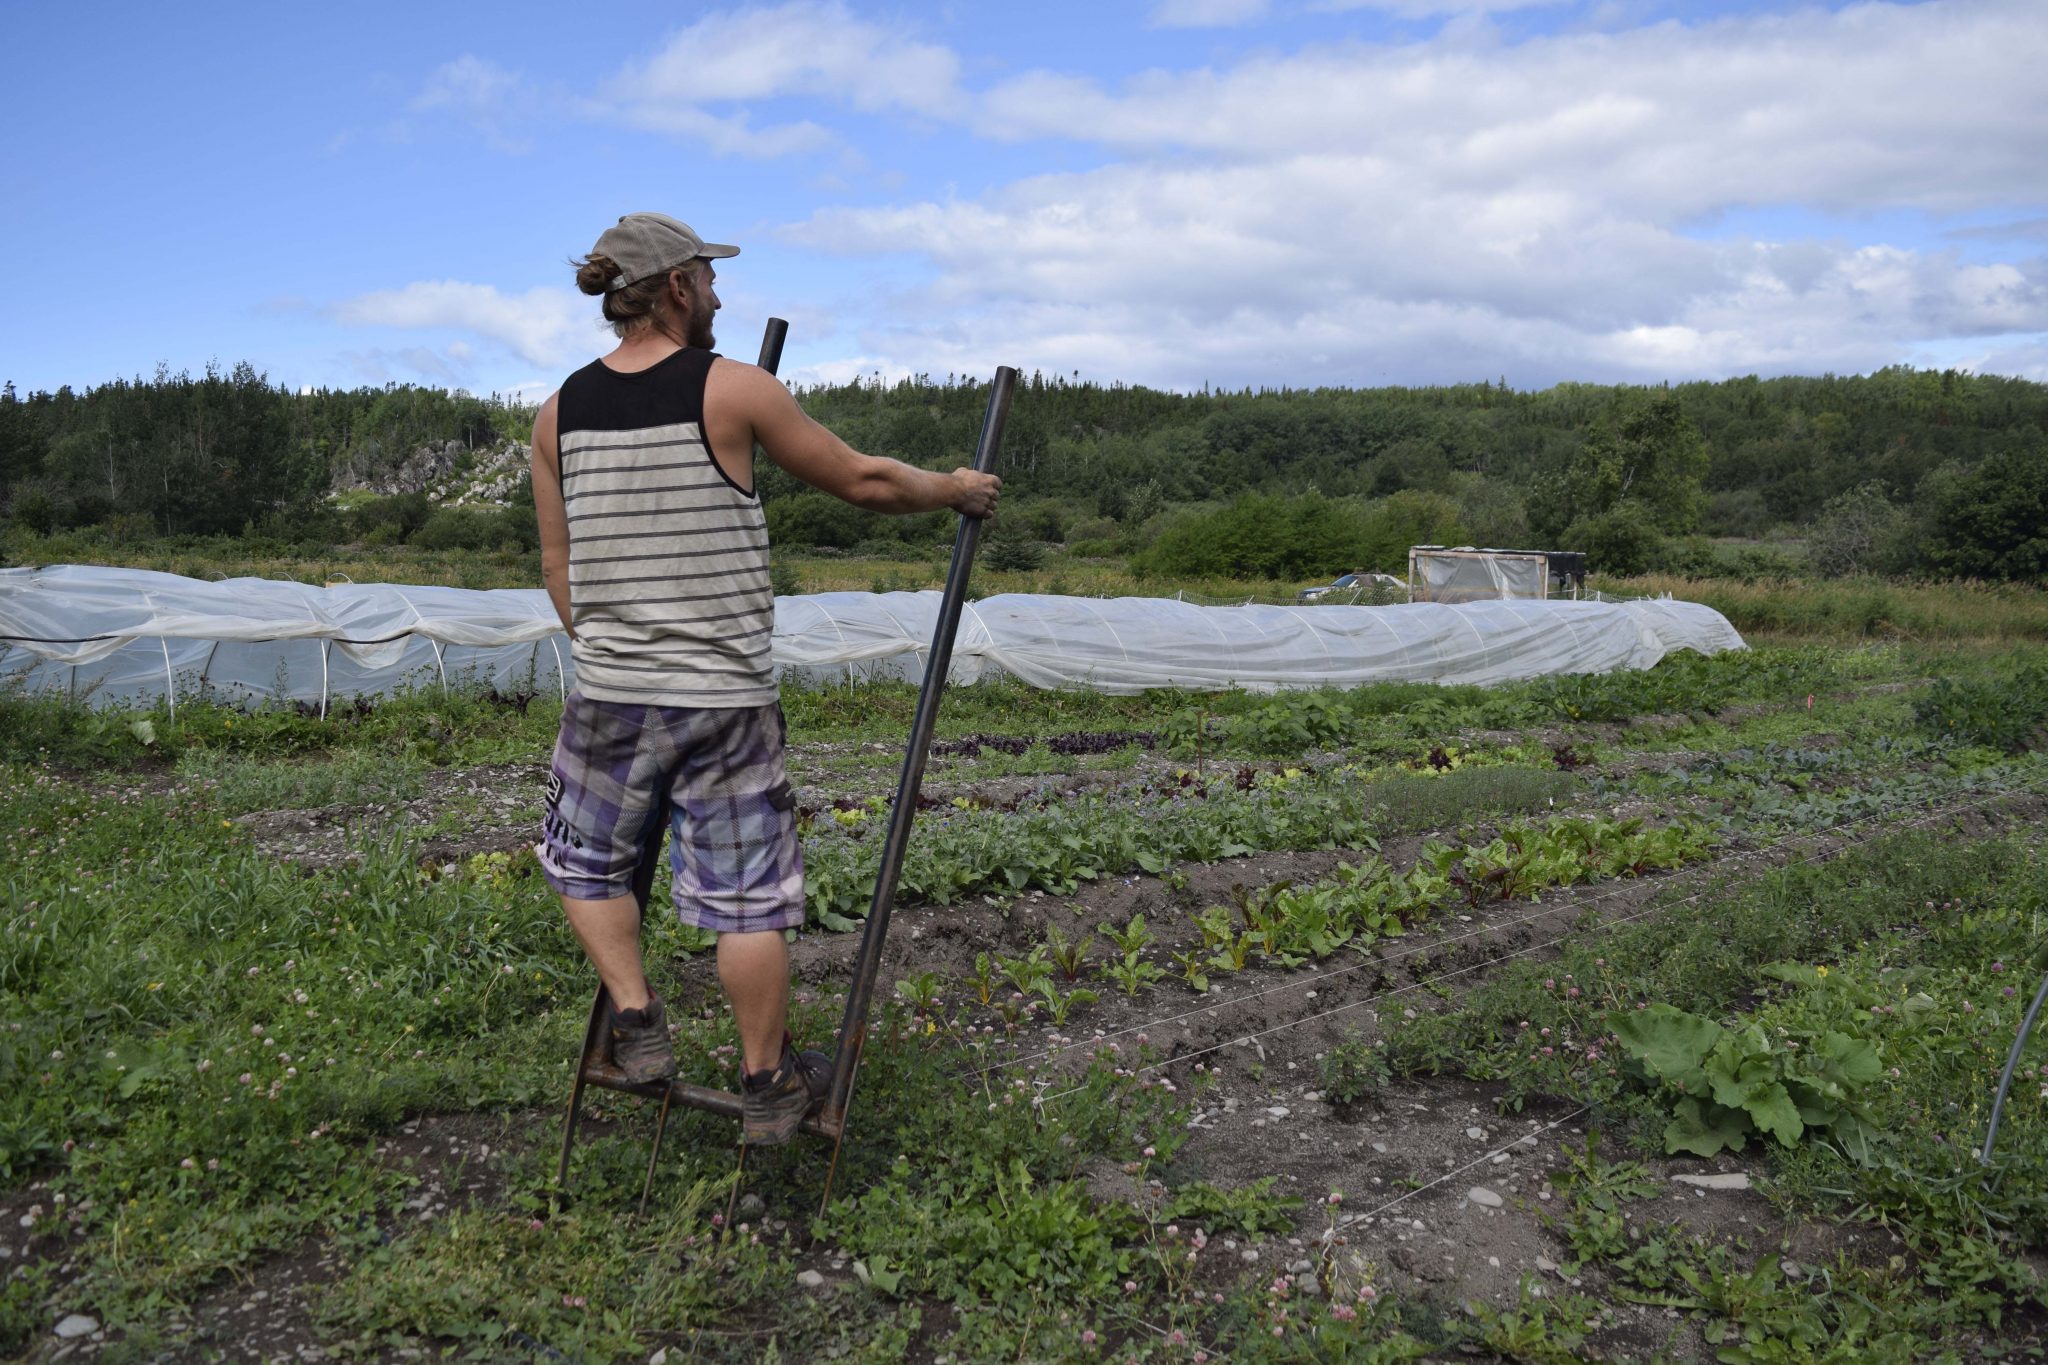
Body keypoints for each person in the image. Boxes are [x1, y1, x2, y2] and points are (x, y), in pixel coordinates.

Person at [530, 212, 1000, 1144]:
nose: (719, 292)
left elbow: (559, 567)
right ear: (674, 287)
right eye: (707, 275)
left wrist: (622, 645)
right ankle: (767, 1082)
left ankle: (635, 1017)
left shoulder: (558, 411)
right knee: (745, 895)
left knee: (579, 859)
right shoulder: (733, 391)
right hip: (724, 698)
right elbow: (862, 481)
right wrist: (954, 488)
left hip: (609, 690)